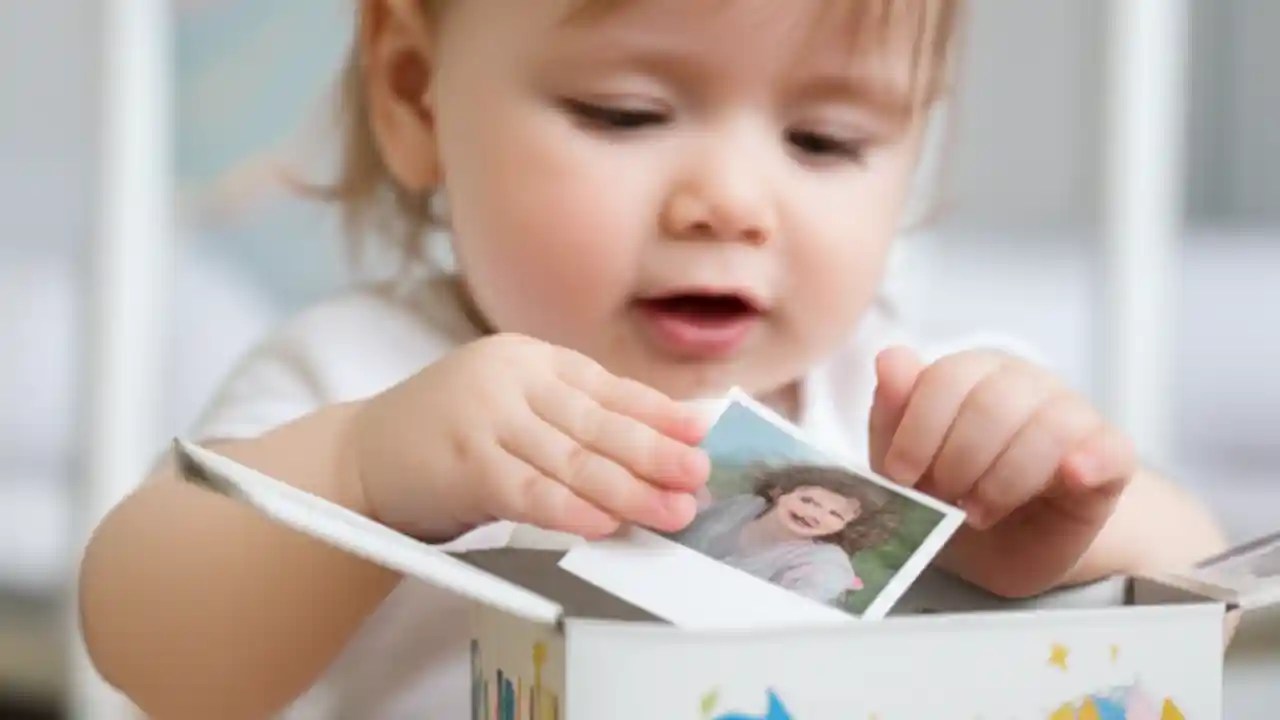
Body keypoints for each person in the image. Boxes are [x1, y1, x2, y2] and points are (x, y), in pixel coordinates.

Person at [77, 1, 1228, 718]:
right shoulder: (365, 377)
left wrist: (1068, 525)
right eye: (624, 113)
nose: (728, 202)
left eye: (823, 140)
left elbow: (1209, 600)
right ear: (415, 93)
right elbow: (162, 662)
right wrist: (363, 475)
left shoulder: (911, 409)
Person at [672, 464, 898, 606]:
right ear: (780, 492)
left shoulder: (826, 562)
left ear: (847, 525)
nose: (814, 515)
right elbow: (696, 523)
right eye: (808, 501)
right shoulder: (745, 506)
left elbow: (807, 604)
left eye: (835, 515)